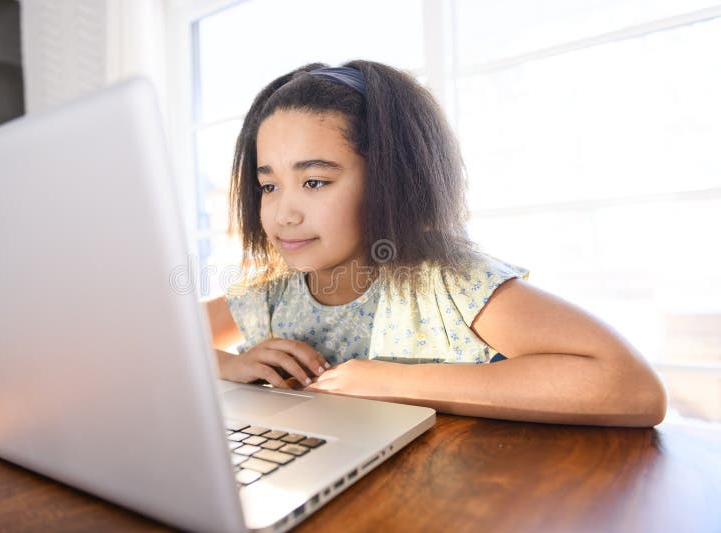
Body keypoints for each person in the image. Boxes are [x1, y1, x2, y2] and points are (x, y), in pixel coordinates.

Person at [203, 60, 666, 427]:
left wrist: (391, 381)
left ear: (391, 180)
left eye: (316, 182)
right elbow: (150, 340)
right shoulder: (276, 290)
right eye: (268, 186)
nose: (284, 213)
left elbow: (631, 386)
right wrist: (225, 364)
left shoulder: (446, 284)